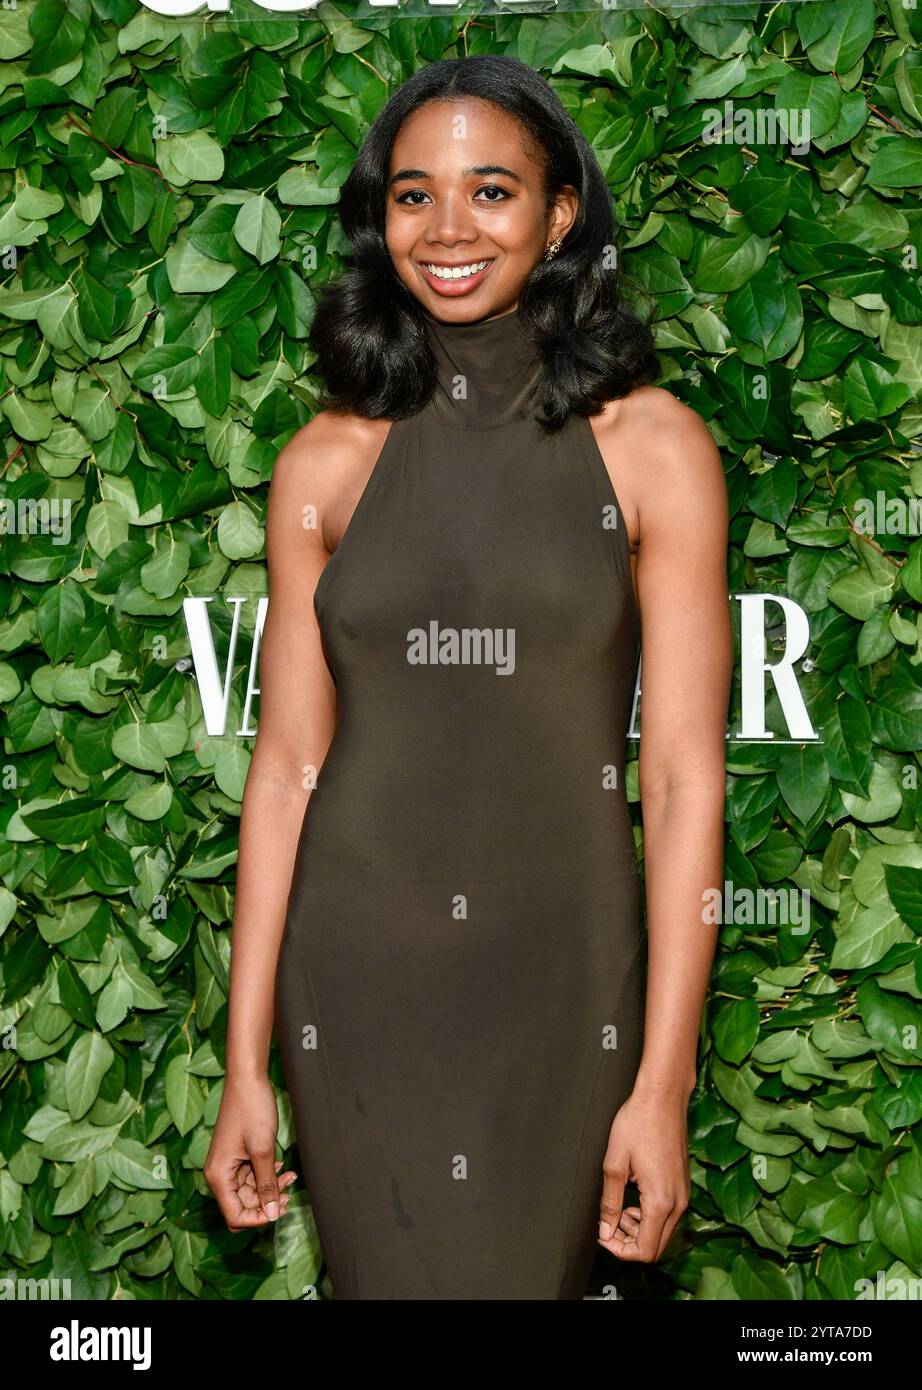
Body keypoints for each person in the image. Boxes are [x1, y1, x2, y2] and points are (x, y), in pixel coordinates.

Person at [204, 53, 732, 1301]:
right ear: (376, 216)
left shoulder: (651, 448)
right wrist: (243, 1066)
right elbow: (285, 770)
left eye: (490, 191)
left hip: (566, 979)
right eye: (410, 195)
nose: (446, 229)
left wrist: (662, 1082)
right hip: (362, 978)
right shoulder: (322, 464)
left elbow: (684, 771)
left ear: (559, 216)